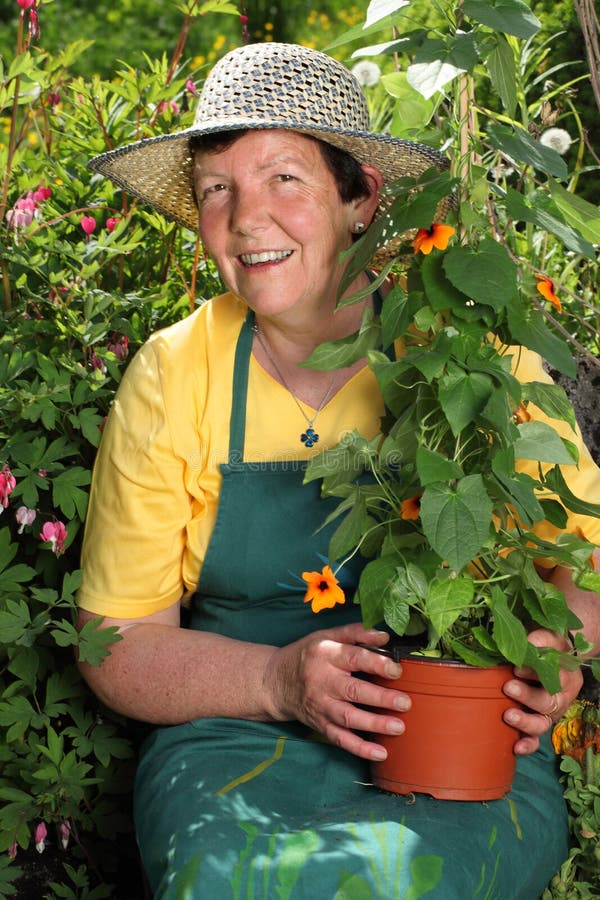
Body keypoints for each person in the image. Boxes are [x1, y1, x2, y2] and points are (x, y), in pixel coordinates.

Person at [78, 42, 600, 899]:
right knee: (225, 880)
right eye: (216, 189)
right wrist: (274, 680)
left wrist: (555, 650)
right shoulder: (175, 374)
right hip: (234, 730)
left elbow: (588, 563)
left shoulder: (466, 353)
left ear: (361, 198)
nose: (247, 218)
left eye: (284, 177)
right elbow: (115, 641)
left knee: (412, 881)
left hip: (460, 727)